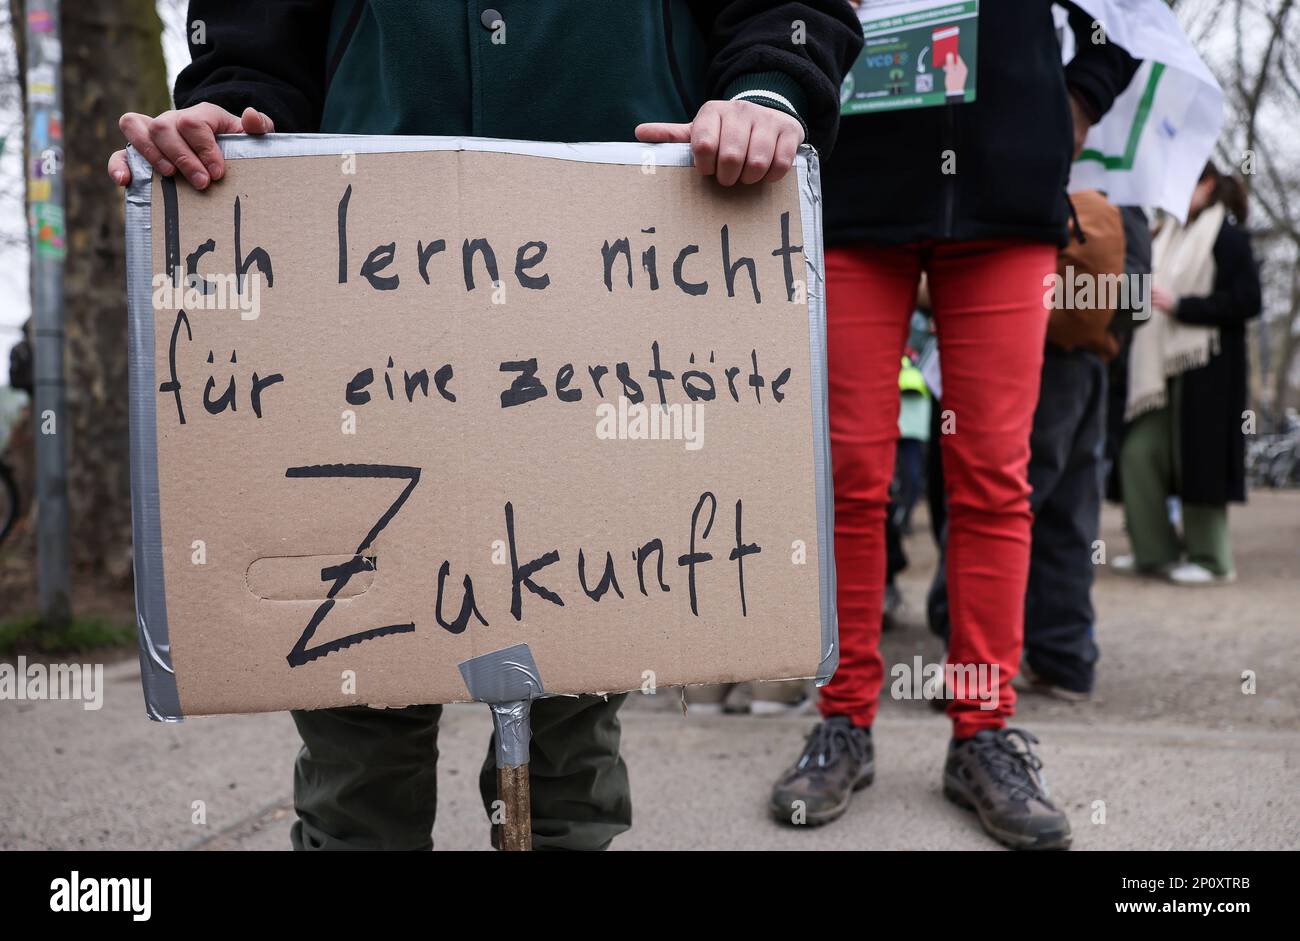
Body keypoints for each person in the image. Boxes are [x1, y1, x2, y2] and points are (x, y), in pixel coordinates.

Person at [111, 0, 863, 851]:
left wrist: (768, 92)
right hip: (349, 292)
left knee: (572, 731)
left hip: (616, 288)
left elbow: (792, 12)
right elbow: (256, 32)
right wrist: (233, 107)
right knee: (354, 732)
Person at [768, 1, 1137, 849]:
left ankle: (981, 731)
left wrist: (1074, 98)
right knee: (850, 475)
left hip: (1007, 183)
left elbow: (1132, 14)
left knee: (994, 478)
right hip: (856, 182)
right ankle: (844, 720)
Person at [1114, 163, 1262, 585]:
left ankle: (1213, 559)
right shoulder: (1164, 236)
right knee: (1138, 454)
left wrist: (1182, 306)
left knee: (1200, 458)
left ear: (1208, 185)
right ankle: (1155, 551)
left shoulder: (1228, 238)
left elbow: (1247, 301)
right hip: (1156, 370)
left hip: (1207, 368)